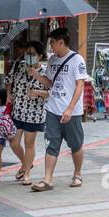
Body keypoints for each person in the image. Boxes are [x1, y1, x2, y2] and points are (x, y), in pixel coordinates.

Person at [30, 27, 88, 192]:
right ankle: (48, 179)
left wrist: (70, 108)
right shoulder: (52, 60)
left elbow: (80, 86)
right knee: (51, 144)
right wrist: (37, 76)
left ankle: (77, 174)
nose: (51, 46)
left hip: (71, 112)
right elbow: (49, 83)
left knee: (75, 145)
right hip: (52, 110)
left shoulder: (77, 60)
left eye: (53, 43)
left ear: (61, 42)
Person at [5, 40, 49, 184]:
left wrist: (37, 92)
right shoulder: (18, 66)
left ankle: (27, 174)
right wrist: (8, 94)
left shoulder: (45, 72)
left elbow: (51, 92)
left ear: (40, 55)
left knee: (29, 143)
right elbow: (8, 80)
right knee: (13, 141)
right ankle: (25, 163)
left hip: (34, 113)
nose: (29, 56)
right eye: (27, 53)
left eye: (32, 54)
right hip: (18, 110)